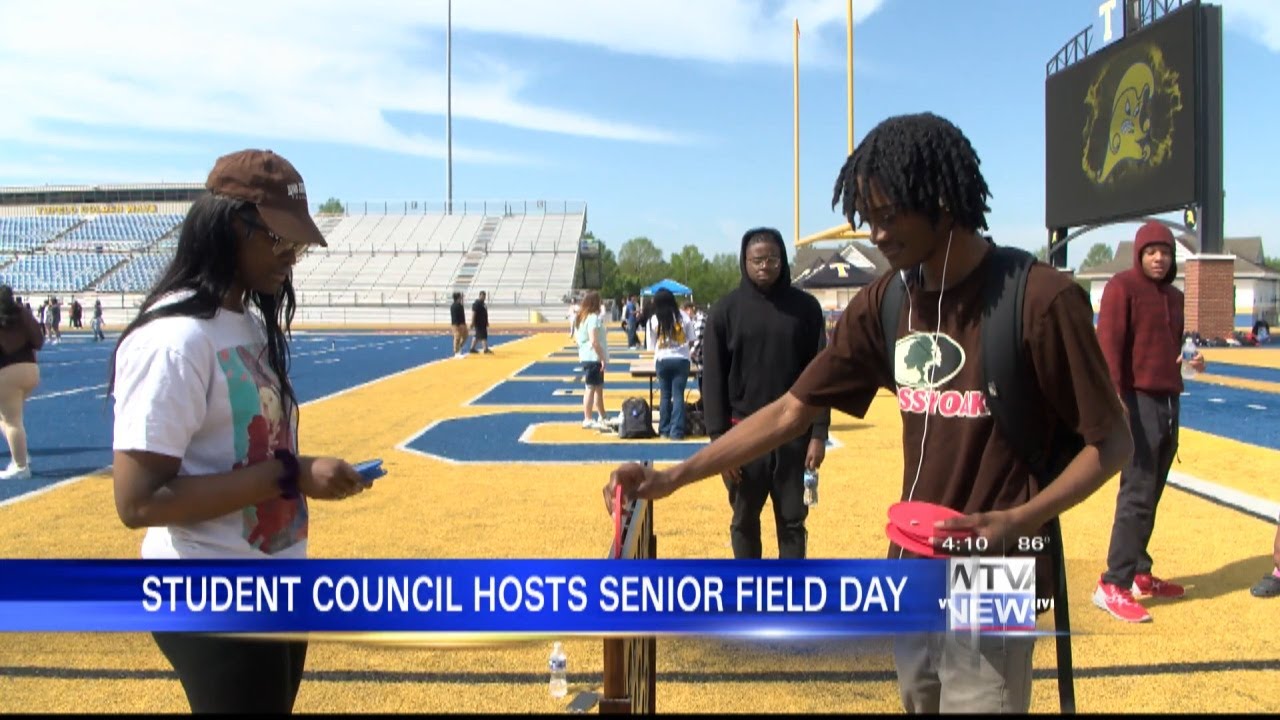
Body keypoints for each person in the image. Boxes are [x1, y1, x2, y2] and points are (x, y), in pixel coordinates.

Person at [604, 113, 1133, 713]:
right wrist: (673, 477)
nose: (875, 234)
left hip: (994, 574)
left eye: (887, 216)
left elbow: (1112, 443)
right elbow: (788, 412)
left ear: (939, 200)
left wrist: (1018, 520)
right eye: (867, 217)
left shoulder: (1039, 299)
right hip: (909, 566)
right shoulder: (888, 300)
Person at [109, 149, 370, 714]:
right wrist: (289, 475)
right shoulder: (174, 340)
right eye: (280, 240)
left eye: (298, 244)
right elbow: (137, 501)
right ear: (234, 225)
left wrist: (296, 476)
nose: (292, 258)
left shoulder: (246, 322)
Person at [1093, 221, 1205, 622]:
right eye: (1152, 251)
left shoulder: (1174, 297)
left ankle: (1139, 570)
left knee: (1152, 491)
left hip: (1169, 403)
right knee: (1136, 494)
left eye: (1167, 252)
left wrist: (1191, 362)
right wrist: (1116, 402)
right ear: (1139, 253)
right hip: (1136, 403)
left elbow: (1171, 348)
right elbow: (1109, 348)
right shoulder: (1121, 288)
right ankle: (1113, 583)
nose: (1160, 258)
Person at [699, 227, 830, 560]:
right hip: (742, 433)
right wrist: (719, 441)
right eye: (757, 259)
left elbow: (821, 375)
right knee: (744, 521)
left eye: (772, 258)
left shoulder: (807, 309)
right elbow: (711, 379)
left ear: (782, 259)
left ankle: (792, 595)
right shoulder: (724, 311)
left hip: (793, 434)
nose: (765, 266)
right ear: (744, 261)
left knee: (792, 522)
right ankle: (750, 594)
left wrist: (819, 434)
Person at [0, 285, 43, 480]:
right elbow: (39, 340)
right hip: (31, 369)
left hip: (6, 371)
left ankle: (21, 465)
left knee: (11, 421)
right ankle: (21, 452)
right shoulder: (22, 313)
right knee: (9, 418)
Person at [645, 288, 693, 440]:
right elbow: (691, 339)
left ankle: (664, 430)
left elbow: (651, 346)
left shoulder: (653, 320)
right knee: (678, 395)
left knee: (665, 396)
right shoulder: (684, 316)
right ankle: (676, 431)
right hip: (681, 359)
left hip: (662, 359)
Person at [573, 291, 608, 429]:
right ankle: (587, 417)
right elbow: (593, 340)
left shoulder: (582, 318)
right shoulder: (592, 318)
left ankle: (602, 415)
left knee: (598, 388)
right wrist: (602, 357)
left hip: (586, 355)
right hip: (593, 357)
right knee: (591, 388)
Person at [450, 292, 468, 358]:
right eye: (460, 297)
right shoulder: (454, 306)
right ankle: (456, 352)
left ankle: (459, 347)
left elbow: (462, 315)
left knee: (465, 335)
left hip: (462, 323)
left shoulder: (460, 305)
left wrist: (464, 323)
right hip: (456, 324)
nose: (461, 298)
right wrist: (458, 324)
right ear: (458, 297)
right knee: (457, 337)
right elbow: (455, 316)